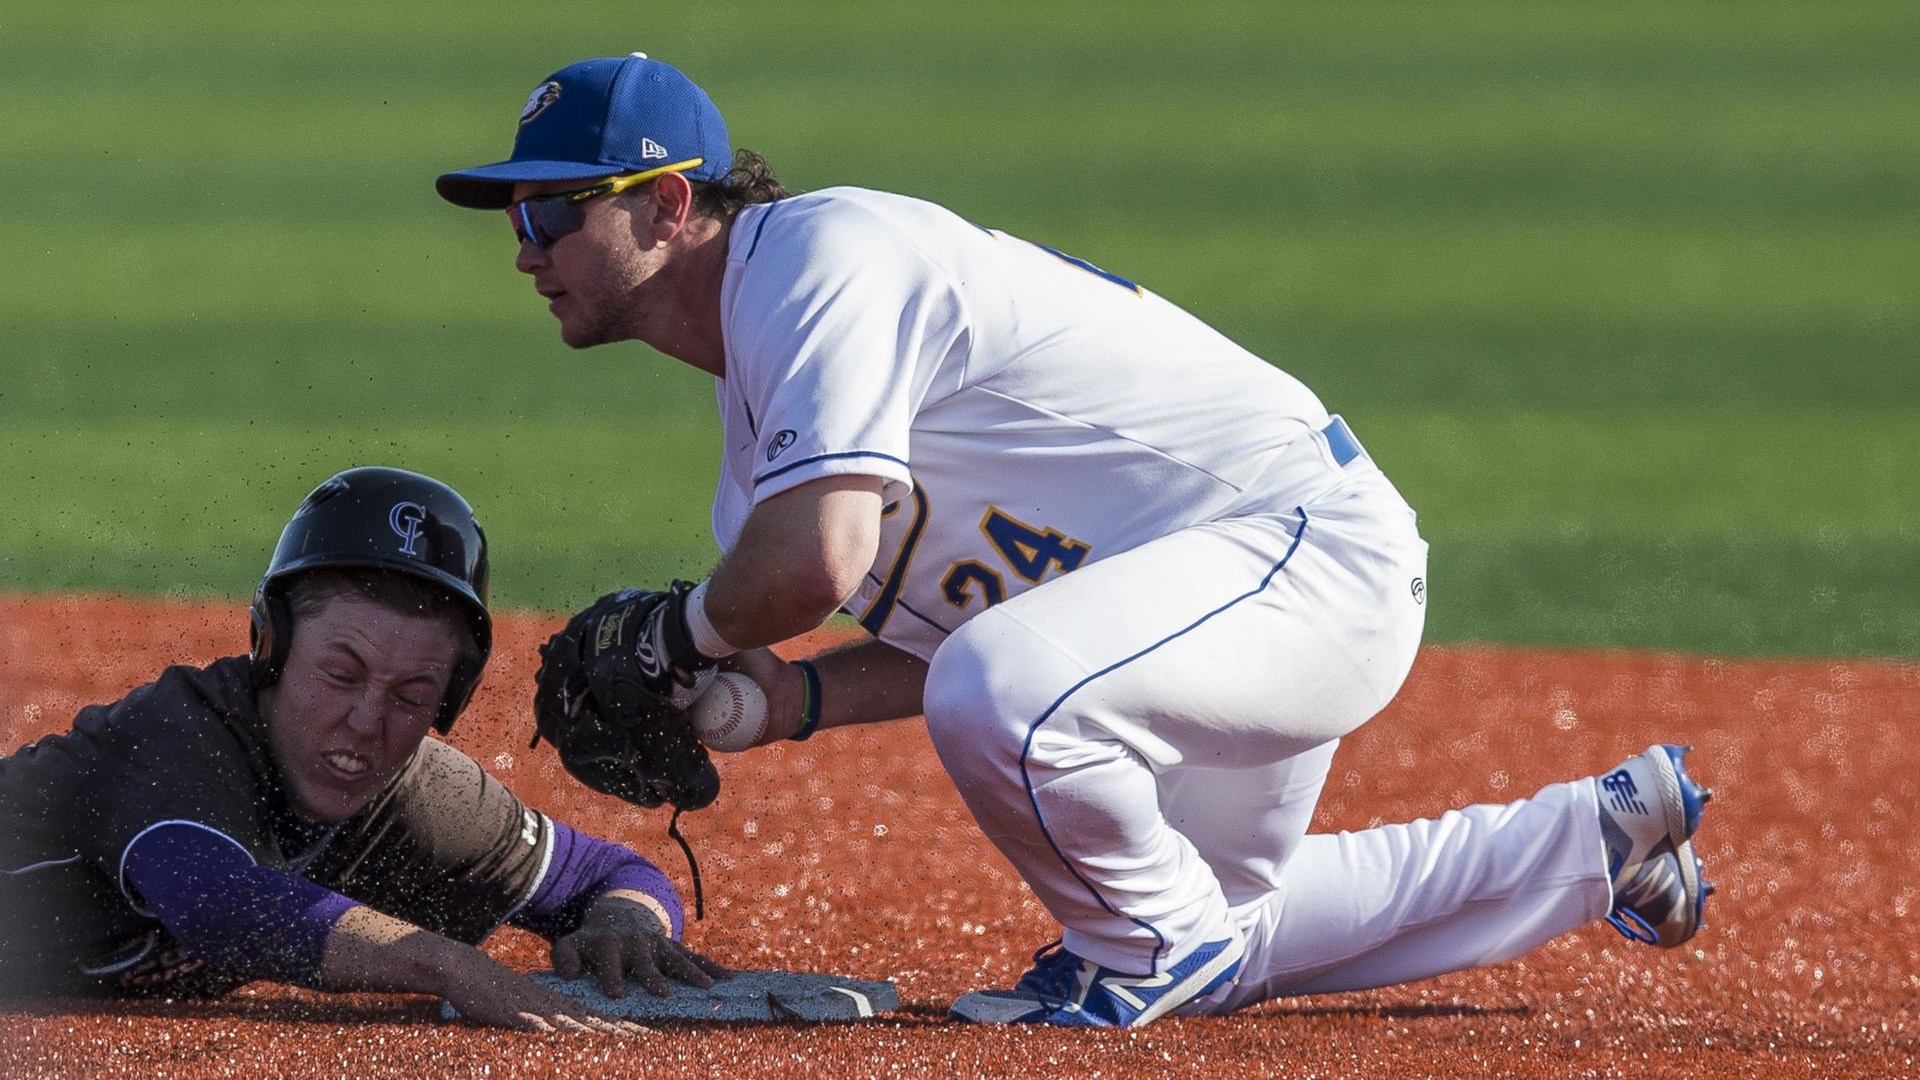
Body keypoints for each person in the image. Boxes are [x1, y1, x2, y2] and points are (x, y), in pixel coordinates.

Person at [434, 53, 1716, 1028]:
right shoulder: (761, 443)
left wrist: (680, 635)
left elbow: (820, 567)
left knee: (1091, 822)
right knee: (1227, 923)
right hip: (1211, 610)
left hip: (1307, 554)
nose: (522, 249)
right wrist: (790, 700)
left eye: (551, 212)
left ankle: (1140, 955)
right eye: (513, 218)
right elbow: (966, 634)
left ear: (666, 206)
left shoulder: (819, 260)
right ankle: (1601, 837)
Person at [0, 466, 725, 1031]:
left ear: (450, 697)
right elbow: (221, 905)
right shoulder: (179, 737)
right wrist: (446, 965)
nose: (366, 723)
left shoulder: (415, 793)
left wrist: (625, 924)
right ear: (272, 647)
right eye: (340, 675)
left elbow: (610, 870)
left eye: (412, 696)